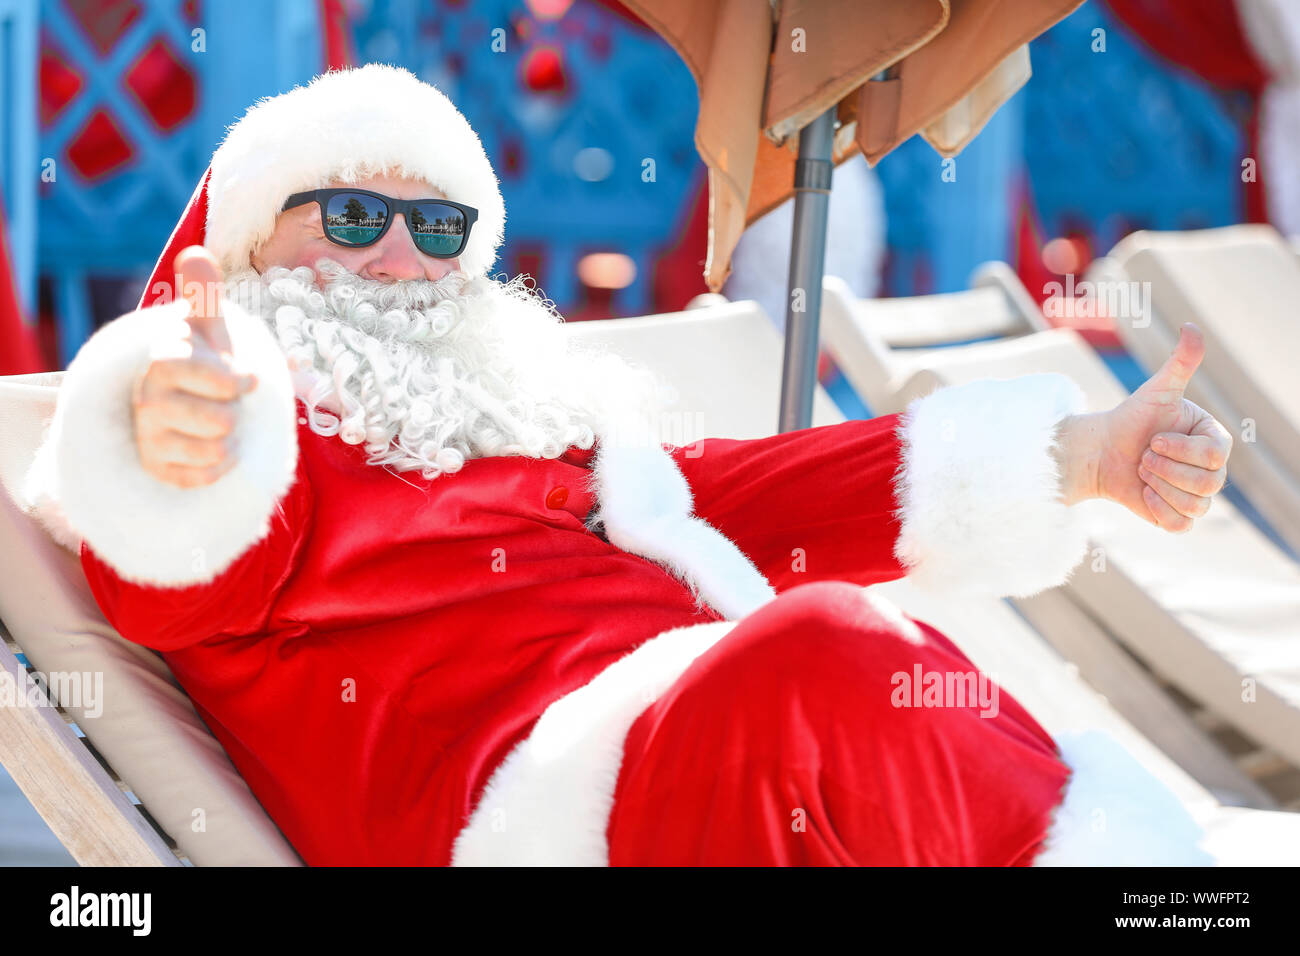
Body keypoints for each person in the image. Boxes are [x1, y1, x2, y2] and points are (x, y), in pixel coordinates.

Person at [23, 65, 1232, 866]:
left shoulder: (533, 413)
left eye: (436, 226)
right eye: (346, 216)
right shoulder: (243, 408)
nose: (396, 254)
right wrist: (181, 445)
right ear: (251, 244)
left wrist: (1076, 452)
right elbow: (181, 579)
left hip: (694, 739)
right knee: (821, 658)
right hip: (517, 804)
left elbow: (745, 500)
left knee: (892, 663)